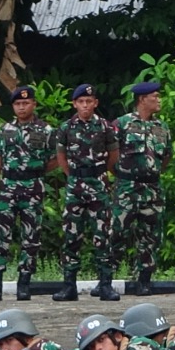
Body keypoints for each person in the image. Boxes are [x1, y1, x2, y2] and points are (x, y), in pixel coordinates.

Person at [0, 85, 55, 303]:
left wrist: (36, 170)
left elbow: (55, 159)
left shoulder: (46, 130)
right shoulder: (5, 130)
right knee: (0, 235)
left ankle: (24, 283)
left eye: (26, 103)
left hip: (32, 186)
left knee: (31, 236)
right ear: (13, 106)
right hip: (8, 186)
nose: (22, 107)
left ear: (34, 104)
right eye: (17, 103)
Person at [54, 83, 118, 302]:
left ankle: (106, 285)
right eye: (81, 102)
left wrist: (99, 172)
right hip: (75, 185)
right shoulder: (65, 128)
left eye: (89, 101)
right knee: (72, 235)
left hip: (98, 183)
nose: (85, 105)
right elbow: (61, 157)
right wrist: (73, 175)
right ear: (75, 104)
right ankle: (69, 285)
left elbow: (114, 155)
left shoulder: (105, 127)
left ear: (95, 103)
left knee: (103, 235)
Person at [112, 80, 171, 297]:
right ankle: (107, 278)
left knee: (151, 234)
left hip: (152, 187)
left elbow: (166, 158)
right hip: (127, 185)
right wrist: (120, 175)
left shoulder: (162, 127)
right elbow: (110, 154)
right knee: (117, 231)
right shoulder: (122, 124)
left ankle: (144, 280)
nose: (158, 100)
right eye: (154, 96)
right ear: (142, 99)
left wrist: (151, 173)